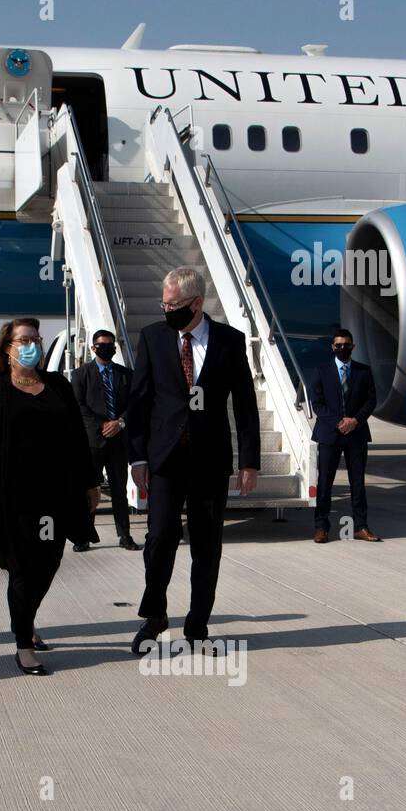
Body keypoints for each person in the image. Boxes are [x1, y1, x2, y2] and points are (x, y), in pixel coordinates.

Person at [0, 318, 99, 676]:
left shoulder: (58, 386)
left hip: (54, 497)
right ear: (7, 349)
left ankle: (25, 619)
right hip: (11, 499)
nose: (32, 345)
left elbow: (77, 438)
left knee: (48, 564)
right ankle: (23, 645)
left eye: (36, 339)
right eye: (24, 340)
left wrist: (89, 483)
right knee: (21, 568)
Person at [126, 268, 260, 654]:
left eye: (173, 305)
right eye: (163, 304)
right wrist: (137, 457)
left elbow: (245, 403)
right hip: (165, 458)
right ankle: (155, 615)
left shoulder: (229, 341)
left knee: (207, 545)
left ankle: (197, 625)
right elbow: (139, 400)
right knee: (159, 537)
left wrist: (249, 461)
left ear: (197, 303)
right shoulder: (153, 337)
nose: (166, 310)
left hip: (209, 460)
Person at [70, 329, 140, 552]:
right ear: (93, 348)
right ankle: (84, 536)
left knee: (119, 490)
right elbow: (79, 406)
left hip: (118, 441)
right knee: (89, 489)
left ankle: (124, 535)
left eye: (111, 345)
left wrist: (120, 422)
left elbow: (135, 403)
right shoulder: (80, 374)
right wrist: (103, 425)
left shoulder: (126, 375)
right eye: (102, 345)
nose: (107, 348)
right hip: (92, 441)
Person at [311, 328, 381, 542]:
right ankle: (321, 527)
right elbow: (317, 404)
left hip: (356, 434)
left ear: (353, 346)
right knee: (325, 482)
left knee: (357, 483)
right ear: (332, 347)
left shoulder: (363, 371)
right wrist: (338, 422)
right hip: (329, 434)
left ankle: (361, 526)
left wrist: (355, 421)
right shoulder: (321, 371)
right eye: (339, 345)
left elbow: (371, 400)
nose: (343, 348)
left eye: (347, 345)